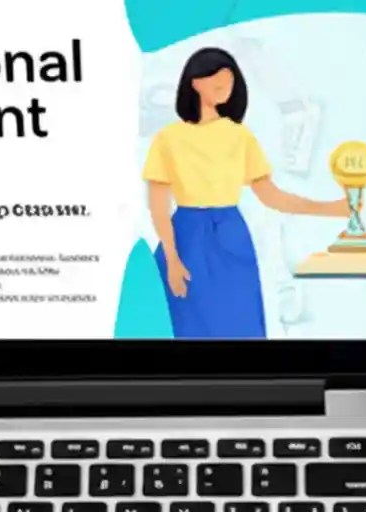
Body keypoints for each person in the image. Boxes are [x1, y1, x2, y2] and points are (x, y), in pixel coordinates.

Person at [143, 47, 350, 339]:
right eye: (216, 80)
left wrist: (331, 208)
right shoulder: (169, 139)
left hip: (231, 237)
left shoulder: (240, 137)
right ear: (195, 82)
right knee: (185, 327)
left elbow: (271, 195)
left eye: (229, 82)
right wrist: (173, 258)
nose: (224, 87)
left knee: (239, 326)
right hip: (185, 237)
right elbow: (158, 204)